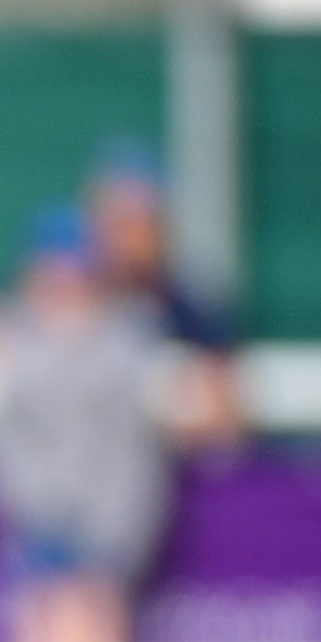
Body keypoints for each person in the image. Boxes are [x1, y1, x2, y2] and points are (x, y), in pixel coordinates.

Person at [0, 205, 174, 642]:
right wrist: (24, 501)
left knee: (93, 620)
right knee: (39, 621)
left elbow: (135, 446)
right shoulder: (12, 342)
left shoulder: (127, 343)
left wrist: (119, 517)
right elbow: (3, 438)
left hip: (104, 511)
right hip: (36, 508)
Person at [83, 139, 242, 449]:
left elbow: (225, 410)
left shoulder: (194, 312)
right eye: (117, 224)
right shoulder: (68, 300)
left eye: (139, 225)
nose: (127, 241)